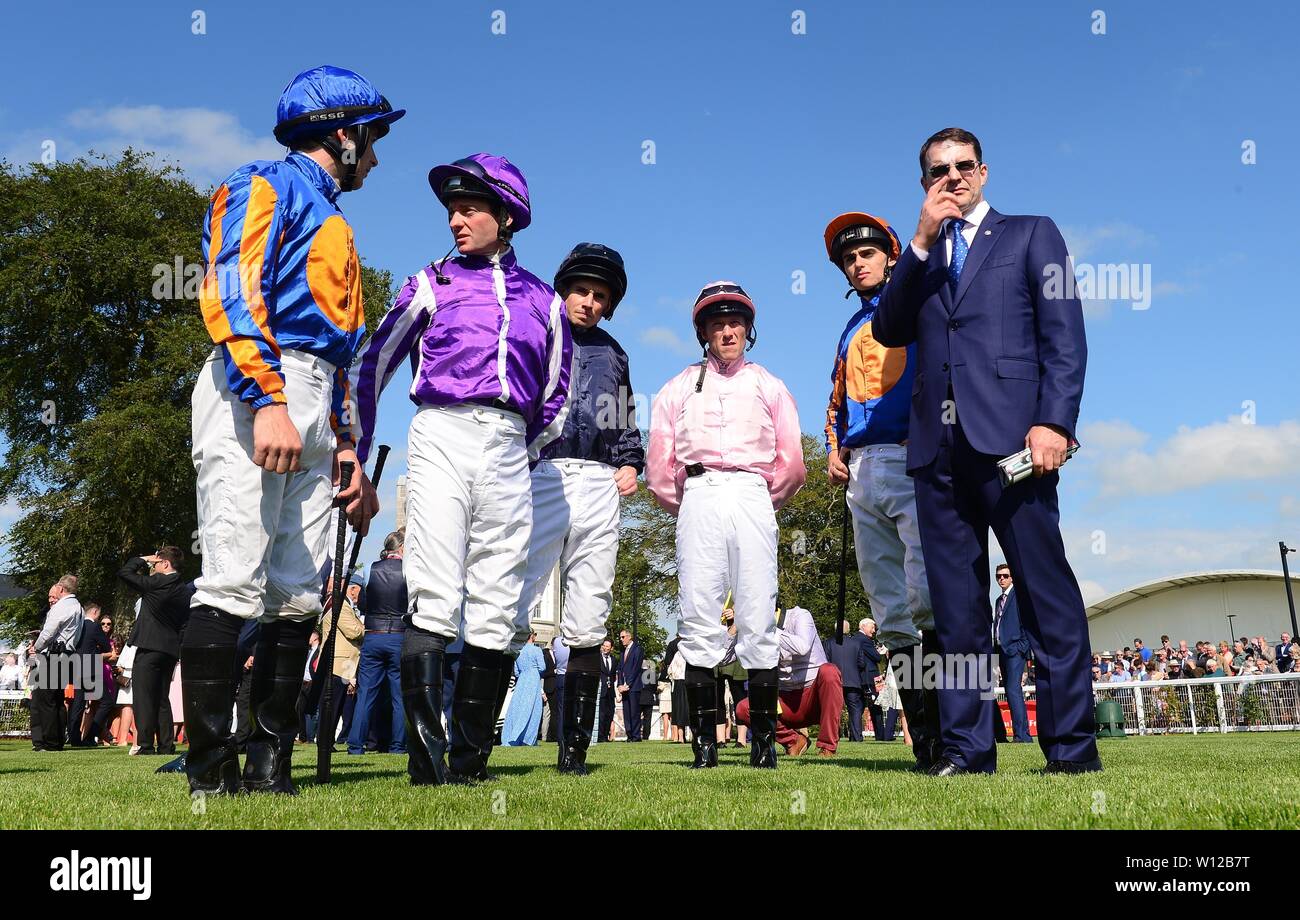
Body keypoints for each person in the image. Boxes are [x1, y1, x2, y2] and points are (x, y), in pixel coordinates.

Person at [181, 65, 397, 796]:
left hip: (315, 396)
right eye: (373, 139)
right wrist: (268, 398)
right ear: (343, 133)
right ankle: (211, 773)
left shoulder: (336, 218)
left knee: (299, 591)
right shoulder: (259, 185)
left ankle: (271, 762)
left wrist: (346, 447)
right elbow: (232, 290)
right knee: (234, 577)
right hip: (255, 385)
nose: (376, 156)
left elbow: (343, 348)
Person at [872, 127, 1099, 776]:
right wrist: (916, 240)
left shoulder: (1033, 234)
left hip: (1013, 445)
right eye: (938, 171)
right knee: (957, 612)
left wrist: (1054, 422)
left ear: (985, 171)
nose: (952, 178)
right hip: (935, 456)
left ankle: (1072, 752)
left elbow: (1065, 337)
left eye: (963, 166)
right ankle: (969, 752)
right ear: (924, 184)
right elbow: (888, 328)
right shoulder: (917, 258)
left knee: (1043, 593)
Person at [350, 152, 571, 786]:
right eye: (451, 208)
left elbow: (556, 390)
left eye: (470, 207)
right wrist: (356, 452)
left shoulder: (545, 300)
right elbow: (375, 363)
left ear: (507, 215)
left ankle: (472, 761)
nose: (456, 219)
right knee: (435, 590)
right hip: (440, 432)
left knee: (500, 601)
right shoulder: (429, 282)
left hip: (509, 444)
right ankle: (426, 761)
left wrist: (523, 447)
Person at [646, 281, 807, 769]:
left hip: (753, 492)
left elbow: (793, 463)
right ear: (703, 331)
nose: (727, 330)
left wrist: (760, 497)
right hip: (698, 493)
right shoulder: (677, 387)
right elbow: (659, 468)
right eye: (717, 322)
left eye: (735, 321)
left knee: (758, 612)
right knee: (698, 615)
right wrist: (693, 503)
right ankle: (704, 745)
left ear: (748, 329)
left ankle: (762, 745)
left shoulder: (769, 385)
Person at [507, 243, 643, 772]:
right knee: (513, 591)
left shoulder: (615, 353)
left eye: (600, 296)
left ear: (609, 305)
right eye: (582, 291)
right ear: (563, 291)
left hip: (599, 479)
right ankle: (471, 746)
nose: (589, 302)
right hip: (541, 470)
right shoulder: (534, 333)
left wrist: (630, 460)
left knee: (590, 609)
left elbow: (625, 414)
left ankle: (574, 752)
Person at [822, 210, 939, 770]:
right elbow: (837, 396)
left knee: (929, 599)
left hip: (913, 457)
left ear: (891, 257)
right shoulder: (847, 329)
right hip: (862, 469)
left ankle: (952, 731)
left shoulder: (919, 303)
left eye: (866, 254)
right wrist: (833, 446)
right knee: (889, 610)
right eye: (849, 258)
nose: (857, 263)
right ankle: (925, 738)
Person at [734, 605, 844, 757]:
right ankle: (794, 741)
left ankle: (827, 747)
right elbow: (726, 658)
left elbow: (802, 647)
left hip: (816, 696)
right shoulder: (753, 631)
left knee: (829, 671)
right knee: (743, 708)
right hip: (785, 700)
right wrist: (736, 626)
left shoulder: (800, 615)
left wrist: (767, 629)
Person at [118, 548, 191, 755]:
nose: (153, 567)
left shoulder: (157, 583)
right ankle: (166, 745)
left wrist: (142, 558)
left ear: (165, 564)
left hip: (149, 646)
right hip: (169, 650)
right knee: (162, 698)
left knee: (143, 697)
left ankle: (145, 744)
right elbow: (185, 624)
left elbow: (125, 573)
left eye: (156, 564)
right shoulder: (185, 591)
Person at [348, 532, 408, 757]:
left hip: (373, 635)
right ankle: (398, 746)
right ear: (401, 548)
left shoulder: (370, 569)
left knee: (365, 695)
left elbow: (363, 602)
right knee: (399, 696)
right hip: (398, 635)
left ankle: (355, 746)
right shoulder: (407, 571)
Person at [30, 576, 83, 752]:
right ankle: (58, 739)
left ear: (61, 588)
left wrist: (36, 647)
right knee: (58, 700)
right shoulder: (79, 607)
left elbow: (48, 633)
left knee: (46, 700)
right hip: (67, 654)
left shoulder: (62, 606)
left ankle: (49, 742)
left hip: (53, 655)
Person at [316, 574, 365, 747]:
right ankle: (324, 741)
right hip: (340, 662)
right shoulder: (341, 605)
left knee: (336, 705)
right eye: (360, 591)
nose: (361, 595)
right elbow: (354, 631)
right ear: (352, 589)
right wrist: (367, 628)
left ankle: (326, 741)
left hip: (341, 661)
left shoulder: (337, 603)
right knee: (333, 705)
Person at [993, 563, 1032, 743]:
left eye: (1005, 576)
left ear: (1012, 577)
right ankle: (1019, 735)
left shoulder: (1018, 596)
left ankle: (1022, 736)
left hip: (1015, 650)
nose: (1001, 579)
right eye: (998, 576)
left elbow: (1027, 623)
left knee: (1013, 690)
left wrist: (1021, 647)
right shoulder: (998, 600)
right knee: (1010, 692)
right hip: (1001, 650)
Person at [65, 602, 111, 747]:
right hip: (90, 670)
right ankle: (91, 735)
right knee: (106, 701)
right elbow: (106, 646)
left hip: (76, 667)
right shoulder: (94, 626)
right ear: (96, 612)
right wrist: (97, 650)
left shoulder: (77, 626)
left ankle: (74, 737)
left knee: (77, 705)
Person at [501, 633, 546, 746]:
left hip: (522, 680)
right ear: (532, 636)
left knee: (518, 707)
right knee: (534, 708)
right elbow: (542, 667)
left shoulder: (518, 651)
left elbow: (516, 672)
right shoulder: (537, 650)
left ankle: (512, 735)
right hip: (533, 678)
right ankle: (528, 738)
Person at [823, 620, 865, 742]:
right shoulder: (856, 643)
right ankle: (856, 737)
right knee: (855, 709)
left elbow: (826, 662)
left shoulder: (828, 643)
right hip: (853, 681)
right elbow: (861, 663)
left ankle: (833, 736)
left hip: (834, 680)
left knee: (834, 710)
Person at [616, 629, 644, 741]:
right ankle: (629, 735)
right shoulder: (623, 652)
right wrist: (619, 684)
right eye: (620, 637)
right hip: (624, 687)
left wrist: (628, 684)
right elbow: (620, 669)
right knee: (626, 712)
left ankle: (636, 736)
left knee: (634, 712)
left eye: (623, 637)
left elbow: (636, 668)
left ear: (629, 637)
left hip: (634, 686)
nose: (621, 639)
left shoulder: (638, 649)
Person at [597, 638, 618, 743]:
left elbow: (613, 675)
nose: (605, 648)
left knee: (610, 713)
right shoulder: (597, 658)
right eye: (604, 646)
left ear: (611, 648)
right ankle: (600, 736)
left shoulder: (613, 659)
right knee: (601, 713)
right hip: (601, 689)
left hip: (610, 690)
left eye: (607, 646)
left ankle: (605, 735)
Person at [639, 657, 657, 740]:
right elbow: (654, 687)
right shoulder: (652, 673)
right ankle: (646, 735)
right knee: (648, 719)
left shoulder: (638, 673)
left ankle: (637, 733)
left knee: (636, 717)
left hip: (639, 697)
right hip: (649, 698)